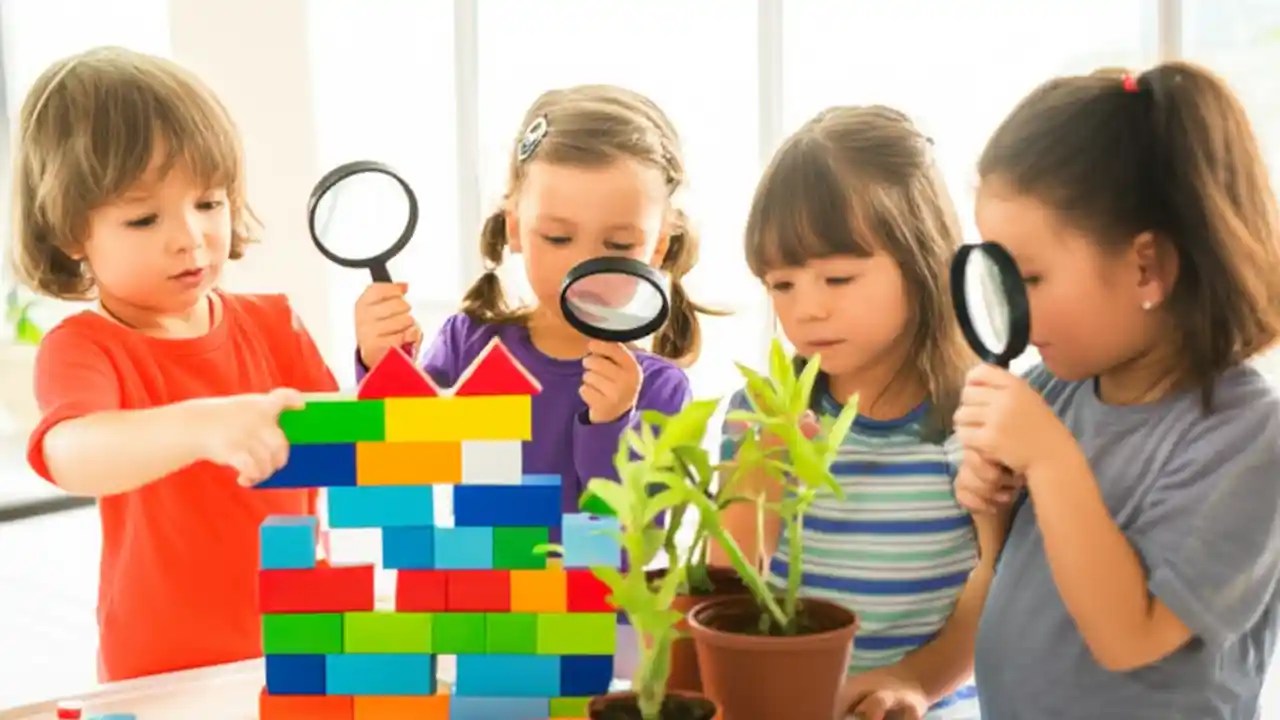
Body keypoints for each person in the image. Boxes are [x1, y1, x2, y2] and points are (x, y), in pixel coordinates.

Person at [953, 62, 1280, 719]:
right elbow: (1009, 573)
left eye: (1032, 278)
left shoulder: (1248, 437)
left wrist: (1048, 459)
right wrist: (990, 503)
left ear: (1146, 267)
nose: (1009, 308)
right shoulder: (1054, 391)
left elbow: (1130, 636)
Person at [14, 47, 336, 682]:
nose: (190, 236)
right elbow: (70, 454)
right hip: (162, 668)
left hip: (301, 640)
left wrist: (385, 373)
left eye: (209, 203)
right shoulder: (85, 347)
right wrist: (204, 426)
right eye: (143, 217)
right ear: (72, 233)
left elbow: (347, 450)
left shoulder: (273, 323)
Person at [714, 106, 997, 720]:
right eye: (781, 286)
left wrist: (915, 683)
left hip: (931, 699)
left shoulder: (972, 419)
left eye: (837, 278)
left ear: (923, 262)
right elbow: (726, 602)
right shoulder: (763, 412)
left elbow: (1001, 586)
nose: (806, 309)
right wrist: (756, 488)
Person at [354, 84, 715, 513]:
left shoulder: (660, 389)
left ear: (656, 249)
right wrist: (381, 363)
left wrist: (612, 423)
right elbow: (402, 464)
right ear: (514, 228)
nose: (583, 264)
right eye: (558, 237)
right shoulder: (467, 344)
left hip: (594, 582)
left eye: (618, 244)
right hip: (479, 577)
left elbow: (637, 529)